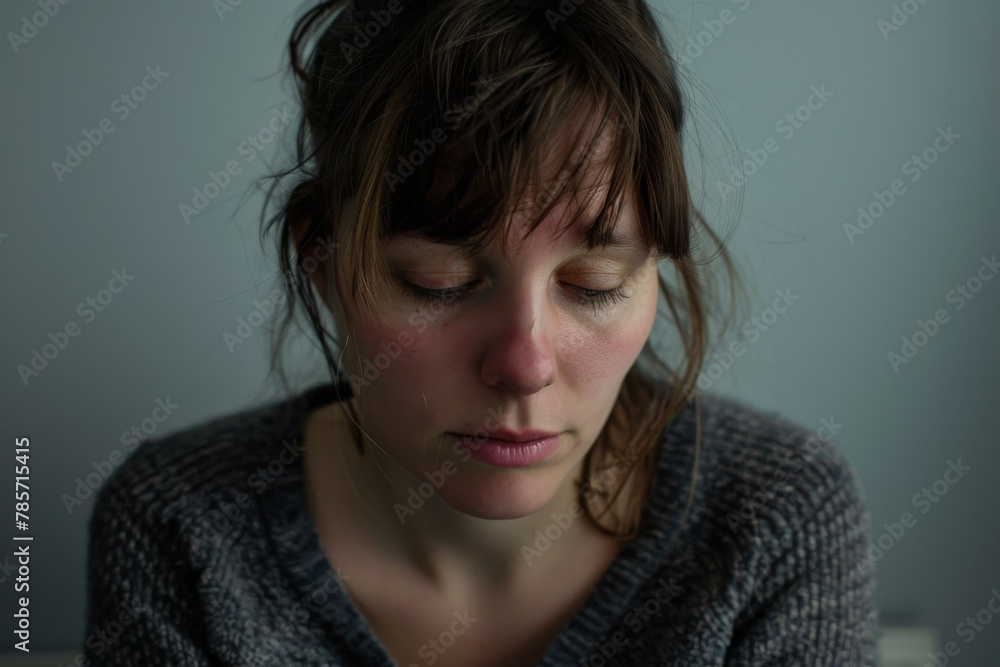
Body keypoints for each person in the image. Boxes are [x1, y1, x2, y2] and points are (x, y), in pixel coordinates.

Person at [82, 0, 879, 665]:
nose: (525, 363)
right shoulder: (180, 526)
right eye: (441, 283)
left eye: (593, 285)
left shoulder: (775, 521)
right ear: (319, 261)